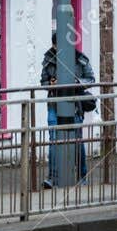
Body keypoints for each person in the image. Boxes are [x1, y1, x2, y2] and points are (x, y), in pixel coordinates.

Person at [40, 38, 94, 188]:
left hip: (74, 104)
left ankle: (82, 177)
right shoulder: (48, 59)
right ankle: (53, 178)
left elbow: (90, 79)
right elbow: (43, 82)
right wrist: (51, 84)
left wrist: (77, 82)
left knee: (77, 140)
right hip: (54, 105)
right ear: (54, 45)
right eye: (56, 45)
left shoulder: (80, 59)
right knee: (54, 140)